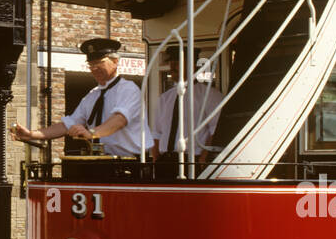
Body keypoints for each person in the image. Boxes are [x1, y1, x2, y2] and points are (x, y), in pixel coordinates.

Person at [11, 37, 153, 158]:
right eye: (91, 64)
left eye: (99, 63)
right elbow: (67, 125)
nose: (94, 68)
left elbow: (119, 120)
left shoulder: (129, 89)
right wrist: (32, 135)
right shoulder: (92, 95)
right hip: (101, 162)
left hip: (130, 164)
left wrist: (91, 133)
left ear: (115, 61)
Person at [150, 45, 224, 169]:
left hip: (192, 160)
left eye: (178, 63)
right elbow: (157, 133)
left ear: (192, 65)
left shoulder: (209, 95)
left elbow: (215, 131)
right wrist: (156, 158)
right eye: (171, 63)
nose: (172, 67)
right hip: (164, 161)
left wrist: (203, 159)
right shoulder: (165, 97)